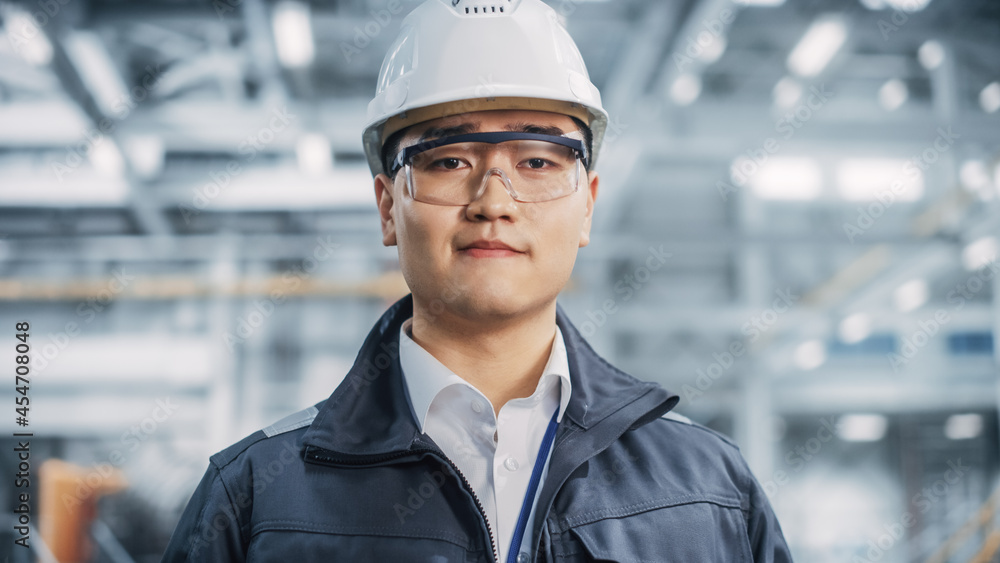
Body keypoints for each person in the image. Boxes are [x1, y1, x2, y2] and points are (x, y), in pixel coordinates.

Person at [161, 0, 793, 561]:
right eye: (450, 161)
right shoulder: (257, 500)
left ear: (588, 207)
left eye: (538, 161)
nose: (495, 202)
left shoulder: (707, 491)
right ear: (388, 206)